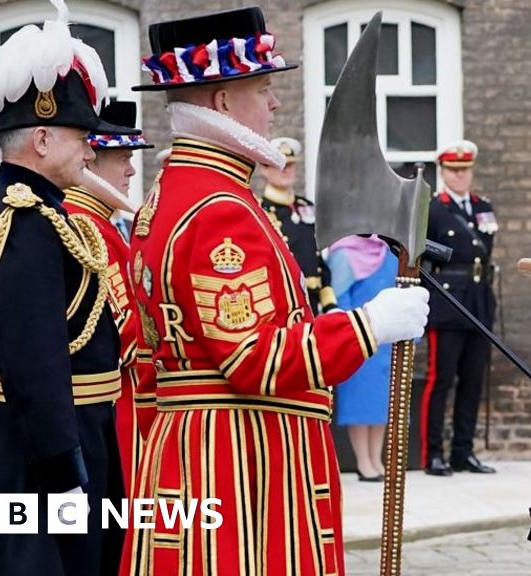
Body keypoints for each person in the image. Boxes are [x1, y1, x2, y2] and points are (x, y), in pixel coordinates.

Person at [122, 8, 429, 575]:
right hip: (239, 467)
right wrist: (372, 324)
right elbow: (255, 360)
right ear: (221, 101)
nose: (274, 104)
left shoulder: (173, 197)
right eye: (263, 88)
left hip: (191, 453)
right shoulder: (219, 211)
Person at [0, 2, 134, 574]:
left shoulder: (30, 211)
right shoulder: (25, 222)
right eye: (83, 136)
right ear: (45, 139)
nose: (91, 150)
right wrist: (64, 476)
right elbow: (36, 365)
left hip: (58, 445)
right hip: (43, 462)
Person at [62, 100, 152, 498]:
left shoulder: (104, 221)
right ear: (91, 162)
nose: (131, 169)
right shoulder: (86, 225)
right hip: (113, 398)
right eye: (121, 158)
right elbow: (125, 332)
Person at [421, 139, 498, 476]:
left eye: (465, 170)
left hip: (479, 296)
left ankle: (463, 452)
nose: (460, 176)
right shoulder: (433, 208)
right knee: (441, 379)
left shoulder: (482, 206)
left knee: (472, 380)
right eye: (453, 170)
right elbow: (420, 254)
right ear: (443, 172)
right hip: (448, 297)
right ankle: (433, 453)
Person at [327, 235, 397, 482]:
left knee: (382, 402)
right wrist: (349, 329)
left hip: (387, 336)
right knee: (359, 400)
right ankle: (362, 461)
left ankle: (376, 458)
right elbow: (339, 297)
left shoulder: (388, 253)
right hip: (358, 336)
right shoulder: (343, 254)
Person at [260, 137, 338, 314]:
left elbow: (316, 257)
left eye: (290, 165)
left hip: (313, 302)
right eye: (279, 165)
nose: (286, 170)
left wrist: (329, 303)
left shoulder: (306, 207)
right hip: (283, 305)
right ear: (265, 169)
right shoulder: (260, 211)